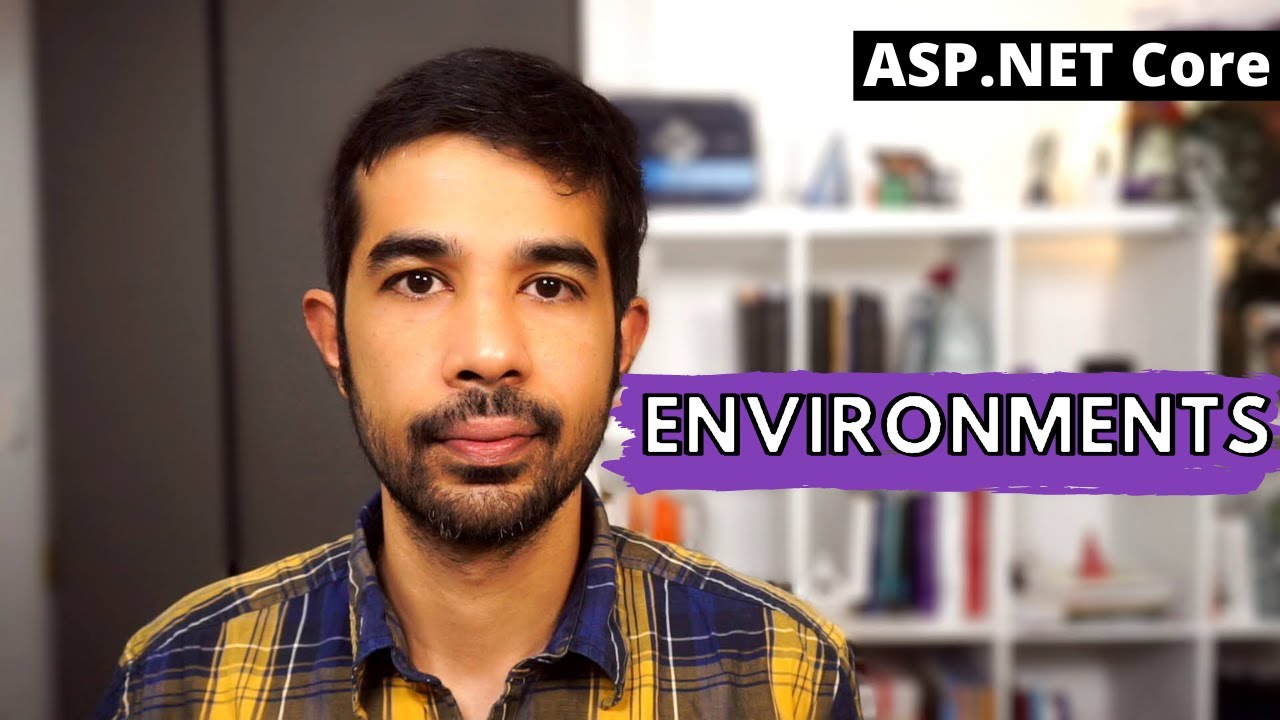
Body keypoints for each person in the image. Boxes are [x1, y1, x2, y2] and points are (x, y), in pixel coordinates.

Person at [94, 47, 861, 719]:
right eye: (419, 280)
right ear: (334, 342)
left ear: (623, 346)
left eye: (550, 286)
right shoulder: (178, 683)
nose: (489, 354)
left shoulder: (782, 674)